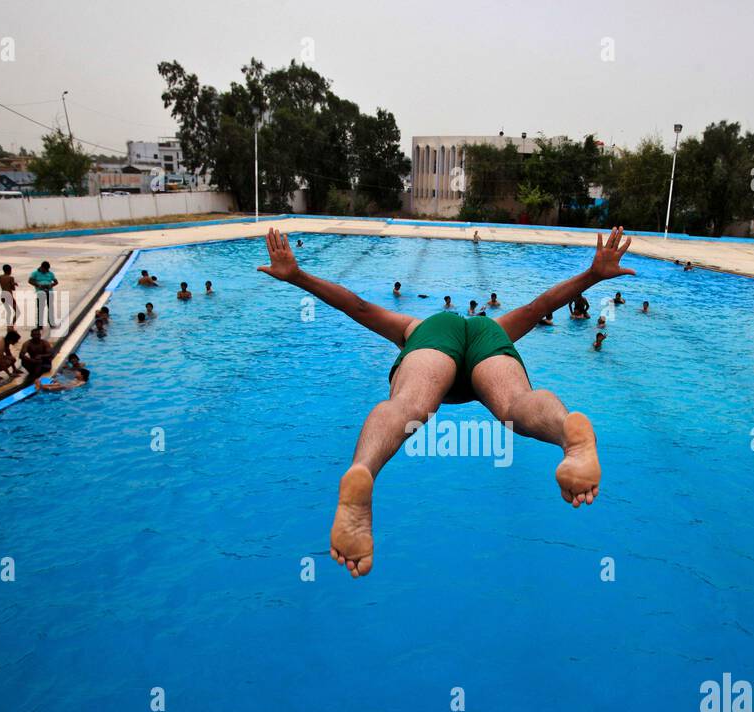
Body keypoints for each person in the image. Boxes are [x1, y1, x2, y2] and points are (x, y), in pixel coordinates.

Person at [257, 225, 619, 577]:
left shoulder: (412, 327)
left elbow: (358, 307)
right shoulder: (496, 325)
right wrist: (592, 275)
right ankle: (566, 432)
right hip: (489, 337)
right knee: (516, 405)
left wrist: (298, 276)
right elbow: (542, 304)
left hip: (431, 336)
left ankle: (363, 470)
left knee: (407, 407)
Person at [28, 261, 59, 329]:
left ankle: (51, 322)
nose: (46, 271)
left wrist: (51, 285)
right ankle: (40, 324)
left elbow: (56, 282)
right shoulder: (35, 273)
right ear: (41, 267)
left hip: (49, 291)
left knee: (50, 307)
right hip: (40, 291)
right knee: (41, 308)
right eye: (44, 269)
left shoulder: (50, 273)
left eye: (47, 270)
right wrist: (38, 285)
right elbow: (30, 281)